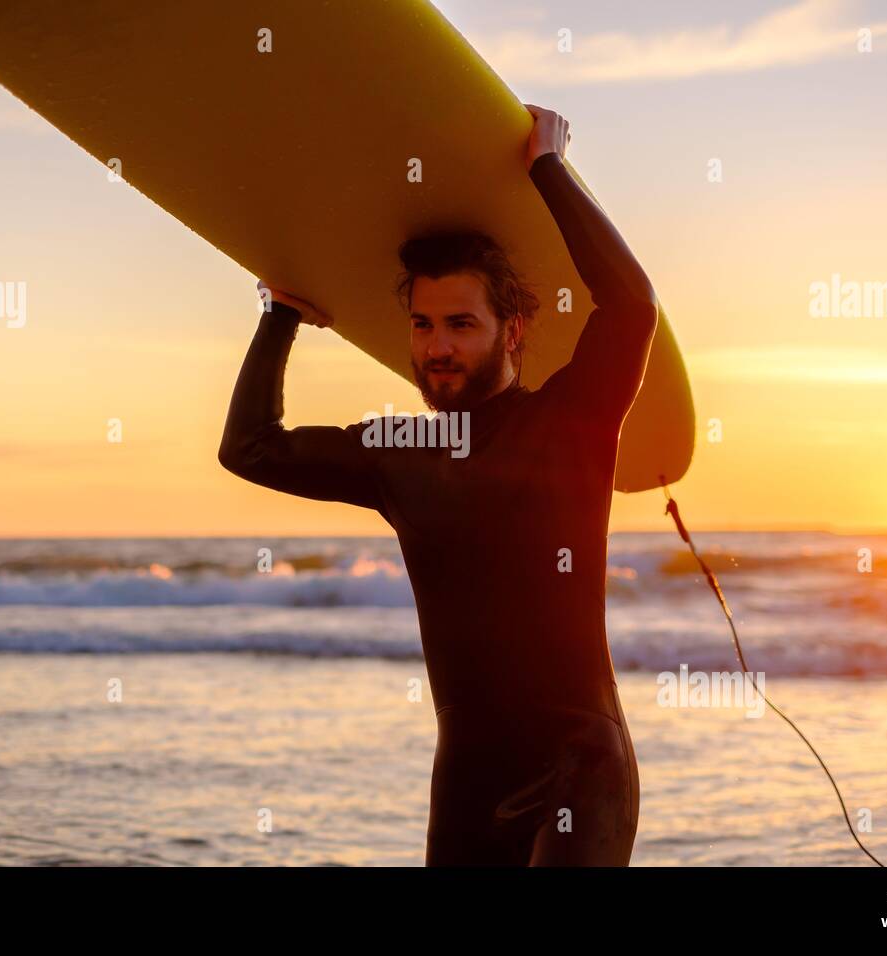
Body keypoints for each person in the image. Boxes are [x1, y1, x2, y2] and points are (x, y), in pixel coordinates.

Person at [219, 105, 660, 865]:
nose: (437, 348)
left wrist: (547, 168)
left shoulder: (571, 422)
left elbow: (630, 306)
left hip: (580, 769)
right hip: (466, 781)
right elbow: (250, 449)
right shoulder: (400, 450)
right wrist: (279, 316)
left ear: (513, 330)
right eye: (422, 326)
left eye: (461, 324)